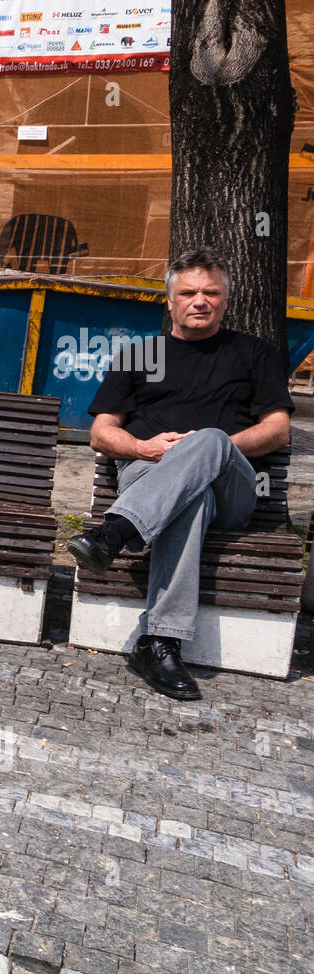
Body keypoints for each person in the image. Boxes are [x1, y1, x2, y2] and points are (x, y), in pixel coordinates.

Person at [69, 247, 293, 700]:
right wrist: (142, 447)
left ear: (225, 301)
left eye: (211, 293)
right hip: (149, 472)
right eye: (188, 292)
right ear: (169, 301)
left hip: (231, 484)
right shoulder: (140, 355)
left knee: (208, 440)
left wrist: (210, 448)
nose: (200, 300)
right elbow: (101, 433)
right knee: (192, 500)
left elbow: (278, 430)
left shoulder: (254, 354)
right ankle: (159, 642)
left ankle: (116, 531)